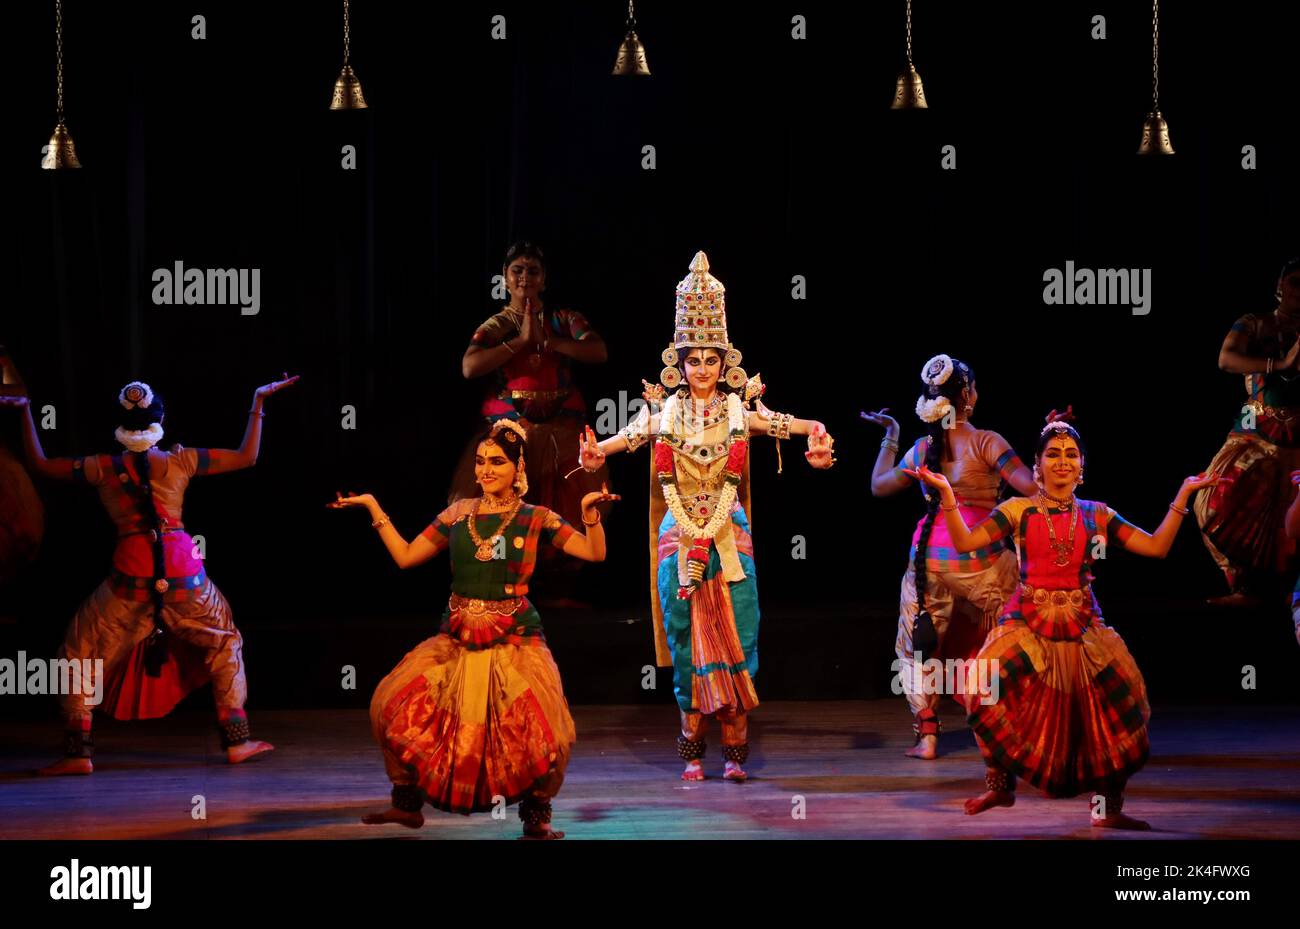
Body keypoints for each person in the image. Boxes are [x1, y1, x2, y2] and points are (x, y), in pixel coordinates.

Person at [577, 251, 835, 782]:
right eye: (691, 360)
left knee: (740, 630)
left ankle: (735, 749)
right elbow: (625, 440)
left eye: (710, 360)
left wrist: (819, 437)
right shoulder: (665, 412)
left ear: (725, 363)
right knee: (685, 635)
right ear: (680, 363)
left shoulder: (740, 411)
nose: (700, 370)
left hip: (729, 536)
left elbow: (794, 424)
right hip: (679, 536)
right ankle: (692, 748)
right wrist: (595, 453)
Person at [909, 420, 1224, 828]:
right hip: (1027, 621)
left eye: (1070, 455)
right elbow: (967, 542)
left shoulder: (1097, 514)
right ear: (1037, 466)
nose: (1062, 462)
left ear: (1082, 466)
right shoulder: (1017, 510)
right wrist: (948, 497)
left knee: (1117, 709)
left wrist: (1182, 495)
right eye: (1052, 455)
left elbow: (1156, 546)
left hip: (1083, 625)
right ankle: (1000, 785)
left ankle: (1108, 810)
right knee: (980, 685)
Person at [329, 420, 618, 838]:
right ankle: (407, 805)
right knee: (390, 705)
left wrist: (590, 515)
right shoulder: (457, 515)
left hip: (516, 636)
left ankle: (537, 818)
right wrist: (375, 509)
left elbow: (595, 552)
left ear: (517, 469)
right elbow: (407, 557)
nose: (485, 470)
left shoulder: (536, 518)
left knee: (550, 732)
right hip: (457, 635)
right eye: (481, 461)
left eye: (497, 462)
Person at [0, 373, 298, 773]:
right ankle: (236, 742)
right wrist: (257, 403)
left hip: (131, 579)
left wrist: (25, 412)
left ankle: (78, 753)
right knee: (225, 642)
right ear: (159, 419)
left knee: (80, 652)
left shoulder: (101, 467)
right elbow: (247, 456)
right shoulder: (181, 460)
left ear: (119, 425)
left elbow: (39, 464)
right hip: (186, 574)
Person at [863, 353, 1038, 759]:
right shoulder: (987, 442)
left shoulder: (924, 447)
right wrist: (1051, 436)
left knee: (918, 646)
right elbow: (1031, 488)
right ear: (967, 396)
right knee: (1010, 634)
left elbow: (878, 486)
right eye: (973, 388)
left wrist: (891, 435)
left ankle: (927, 737)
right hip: (983, 558)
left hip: (929, 560)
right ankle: (1002, 723)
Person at [454, 241, 610, 605]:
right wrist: (521, 341)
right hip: (510, 430)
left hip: (561, 431)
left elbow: (598, 351)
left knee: (565, 508)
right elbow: (469, 366)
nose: (525, 277)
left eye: (533, 271)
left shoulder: (564, 320)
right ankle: (502, 587)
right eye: (517, 271)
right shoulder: (498, 325)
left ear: (544, 279)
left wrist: (549, 342)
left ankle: (558, 591)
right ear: (506, 279)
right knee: (499, 503)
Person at [1197, 257, 1300, 606]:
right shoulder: (1255, 324)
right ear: (1280, 286)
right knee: (1213, 502)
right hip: (1255, 422)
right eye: (1296, 282)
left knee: (1289, 516)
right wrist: (1280, 365)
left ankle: (1289, 592)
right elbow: (1226, 359)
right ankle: (1241, 586)